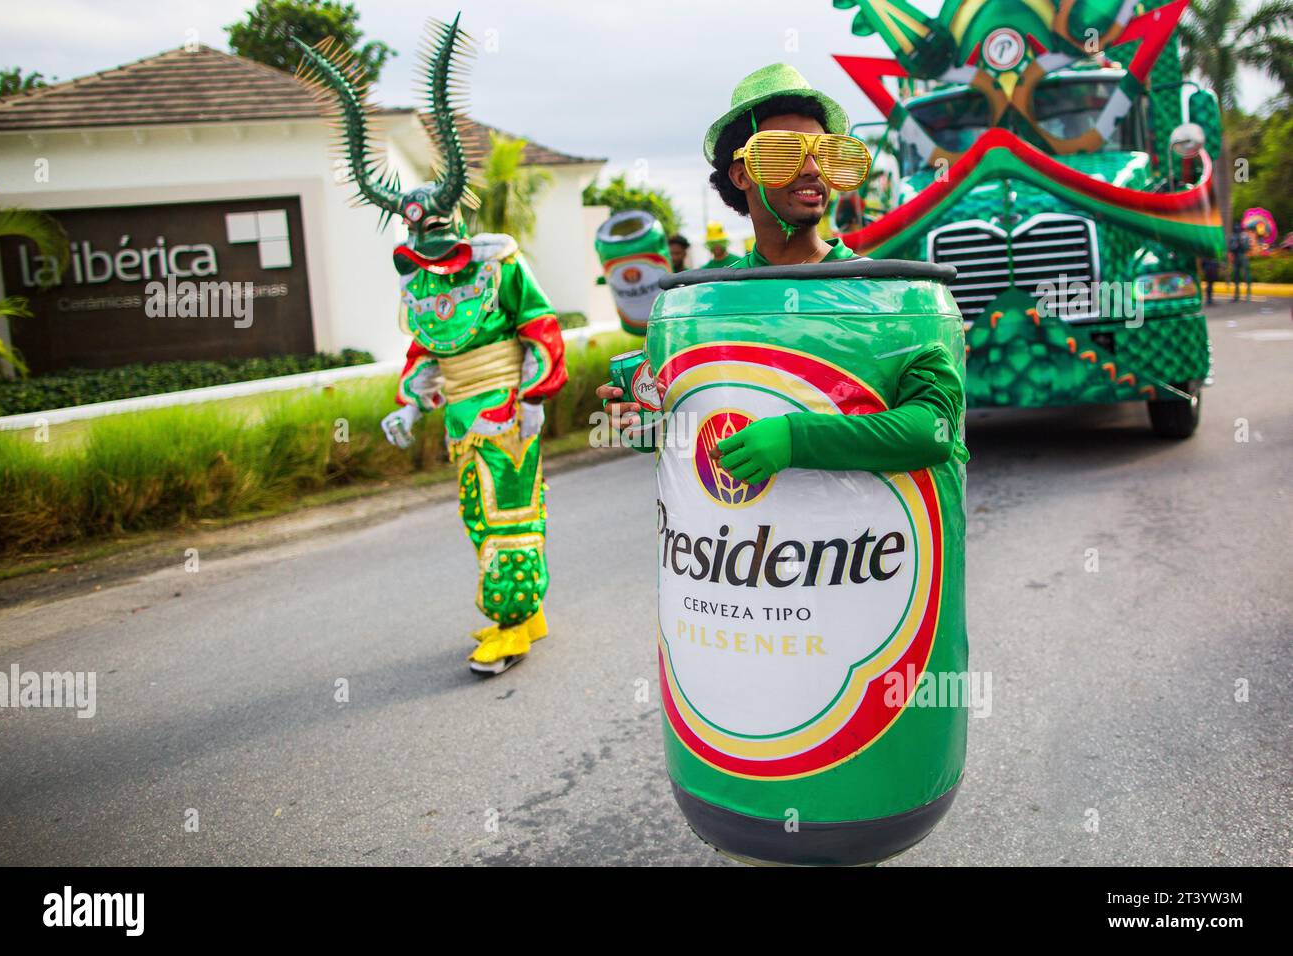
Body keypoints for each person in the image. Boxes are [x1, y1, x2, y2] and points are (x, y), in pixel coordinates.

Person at [298, 16, 566, 676]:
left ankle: (508, 625)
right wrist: (410, 405)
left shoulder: (500, 266)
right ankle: (527, 612)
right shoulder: (420, 286)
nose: (434, 261)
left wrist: (532, 396)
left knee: (508, 517)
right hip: (459, 418)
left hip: (504, 409)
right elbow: (425, 353)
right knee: (483, 517)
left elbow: (540, 328)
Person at [598, 63, 966, 477]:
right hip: (745, 542)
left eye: (823, 153)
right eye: (783, 153)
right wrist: (642, 423)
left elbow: (933, 432)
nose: (812, 169)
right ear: (742, 174)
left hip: (864, 541)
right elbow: (692, 427)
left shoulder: (889, 295)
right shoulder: (710, 306)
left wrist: (795, 439)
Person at [1229, 222, 1252, 302]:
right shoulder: (1233, 237)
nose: (1237, 229)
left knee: (1246, 275)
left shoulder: (1245, 237)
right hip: (1236, 257)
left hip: (1243, 256)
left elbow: (1247, 247)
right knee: (1236, 276)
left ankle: (1248, 294)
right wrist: (1235, 245)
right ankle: (1236, 295)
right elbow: (1230, 247)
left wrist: (1241, 242)